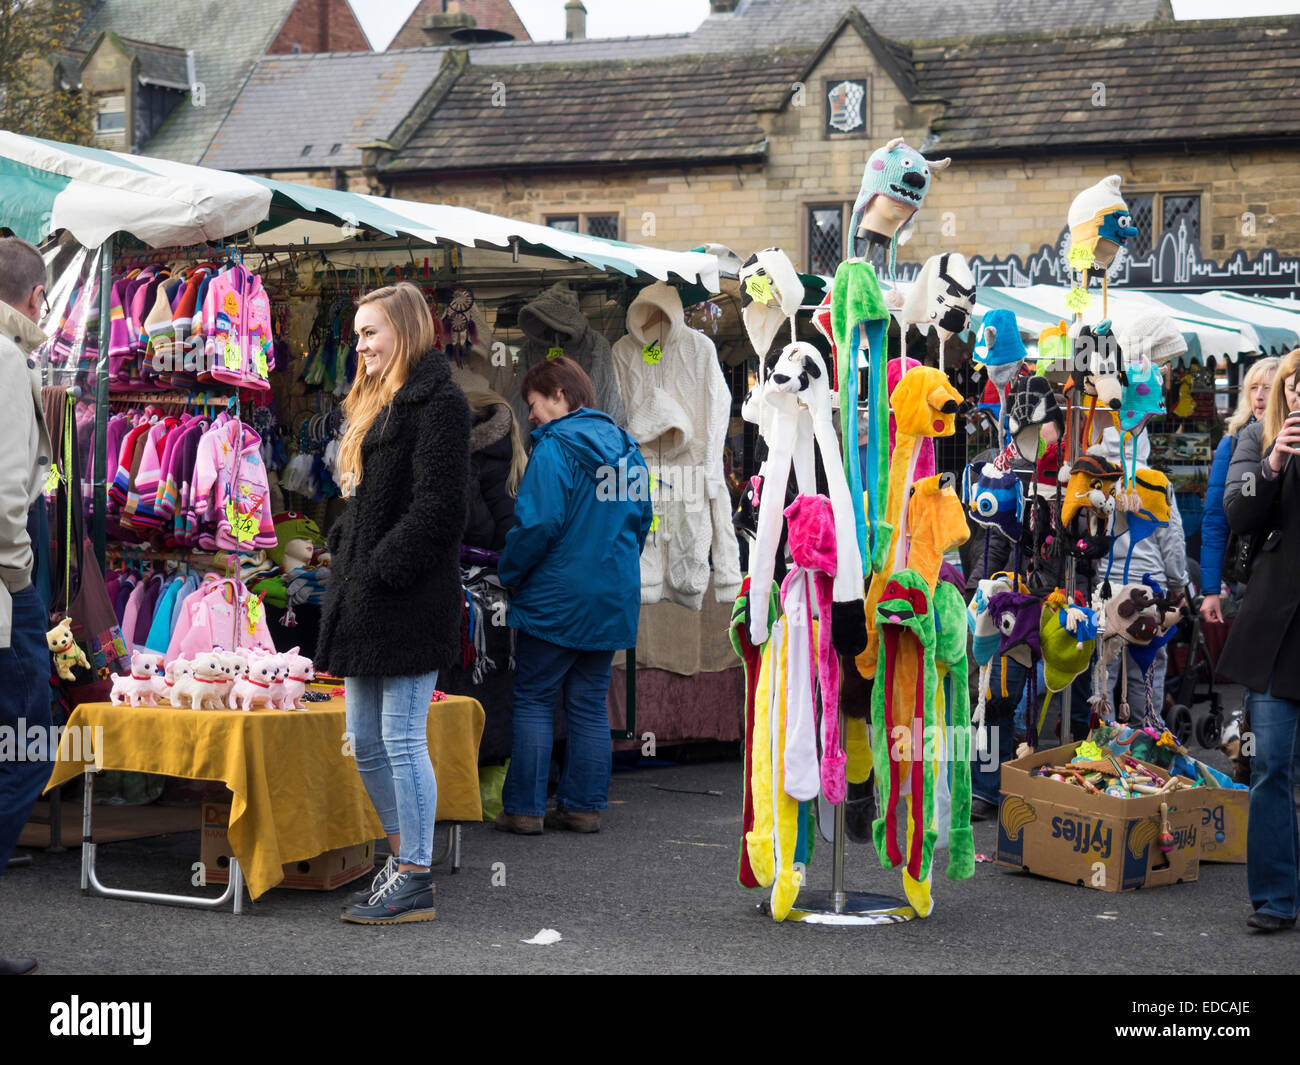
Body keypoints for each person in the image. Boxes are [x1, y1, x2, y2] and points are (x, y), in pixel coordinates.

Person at [316, 282, 470, 925]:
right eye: (356, 335)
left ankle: (416, 875)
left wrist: (379, 568)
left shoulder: (440, 403)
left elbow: (439, 509)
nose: (360, 346)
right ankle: (403, 862)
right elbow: (373, 503)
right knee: (367, 740)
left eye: (370, 333)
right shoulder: (383, 400)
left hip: (406, 599)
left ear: (404, 332)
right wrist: (343, 546)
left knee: (402, 739)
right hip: (369, 600)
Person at [495, 356, 652, 834]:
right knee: (588, 702)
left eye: (534, 403)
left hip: (555, 597)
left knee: (536, 698)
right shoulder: (628, 448)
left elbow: (539, 523)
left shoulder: (554, 448)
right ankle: (582, 807)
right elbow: (641, 521)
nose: (532, 416)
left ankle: (525, 809)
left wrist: (510, 570)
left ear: (559, 395)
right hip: (611, 597)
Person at [1219, 346, 1300, 933]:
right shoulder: (1256, 440)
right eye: (1291, 386)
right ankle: (1275, 898)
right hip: (1277, 624)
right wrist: (1273, 462)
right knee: (1270, 764)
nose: (1296, 394)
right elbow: (1235, 511)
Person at [0, 237, 55, 975]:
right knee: (26, 747)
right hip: (5, 596)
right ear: (36, 298)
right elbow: (8, 494)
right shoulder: (9, 363)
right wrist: (18, 582)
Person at [1200, 356, 1279, 624]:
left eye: (1268, 388)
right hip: (1248, 574)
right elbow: (1216, 517)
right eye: (1254, 388)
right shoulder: (1233, 444)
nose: (1259, 396)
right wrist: (1211, 589)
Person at [461, 388, 527, 553]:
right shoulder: (507, 452)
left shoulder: (476, 460)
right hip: (507, 558)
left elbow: (481, 535)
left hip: (489, 561)